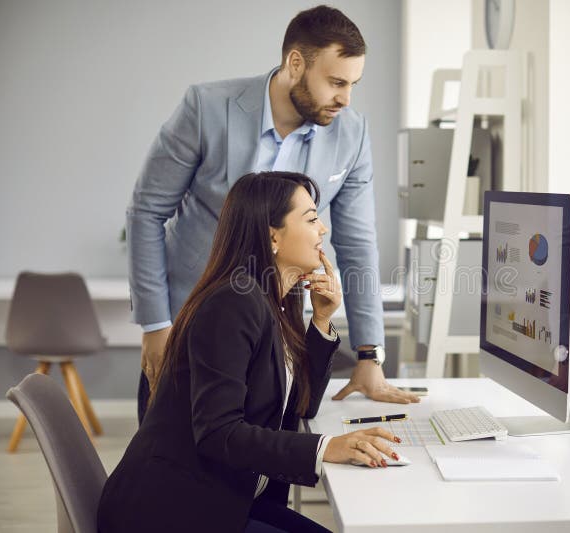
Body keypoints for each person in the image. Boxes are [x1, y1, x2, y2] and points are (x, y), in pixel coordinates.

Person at [128, 5, 419, 424]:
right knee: (173, 469)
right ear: (295, 64)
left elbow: (358, 245)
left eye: (354, 83)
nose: (346, 98)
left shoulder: (350, 133)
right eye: (336, 82)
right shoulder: (206, 107)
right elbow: (146, 213)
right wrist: (156, 325)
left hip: (278, 339)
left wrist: (369, 354)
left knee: (261, 466)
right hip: (188, 324)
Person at [99, 172, 402, 533]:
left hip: (226, 499)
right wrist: (325, 449)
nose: (323, 230)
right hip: (168, 511)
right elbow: (218, 432)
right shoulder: (233, 302)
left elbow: (299, 409)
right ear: (272, 234)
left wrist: (321, 319)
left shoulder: (276, 300)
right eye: (311, 218)